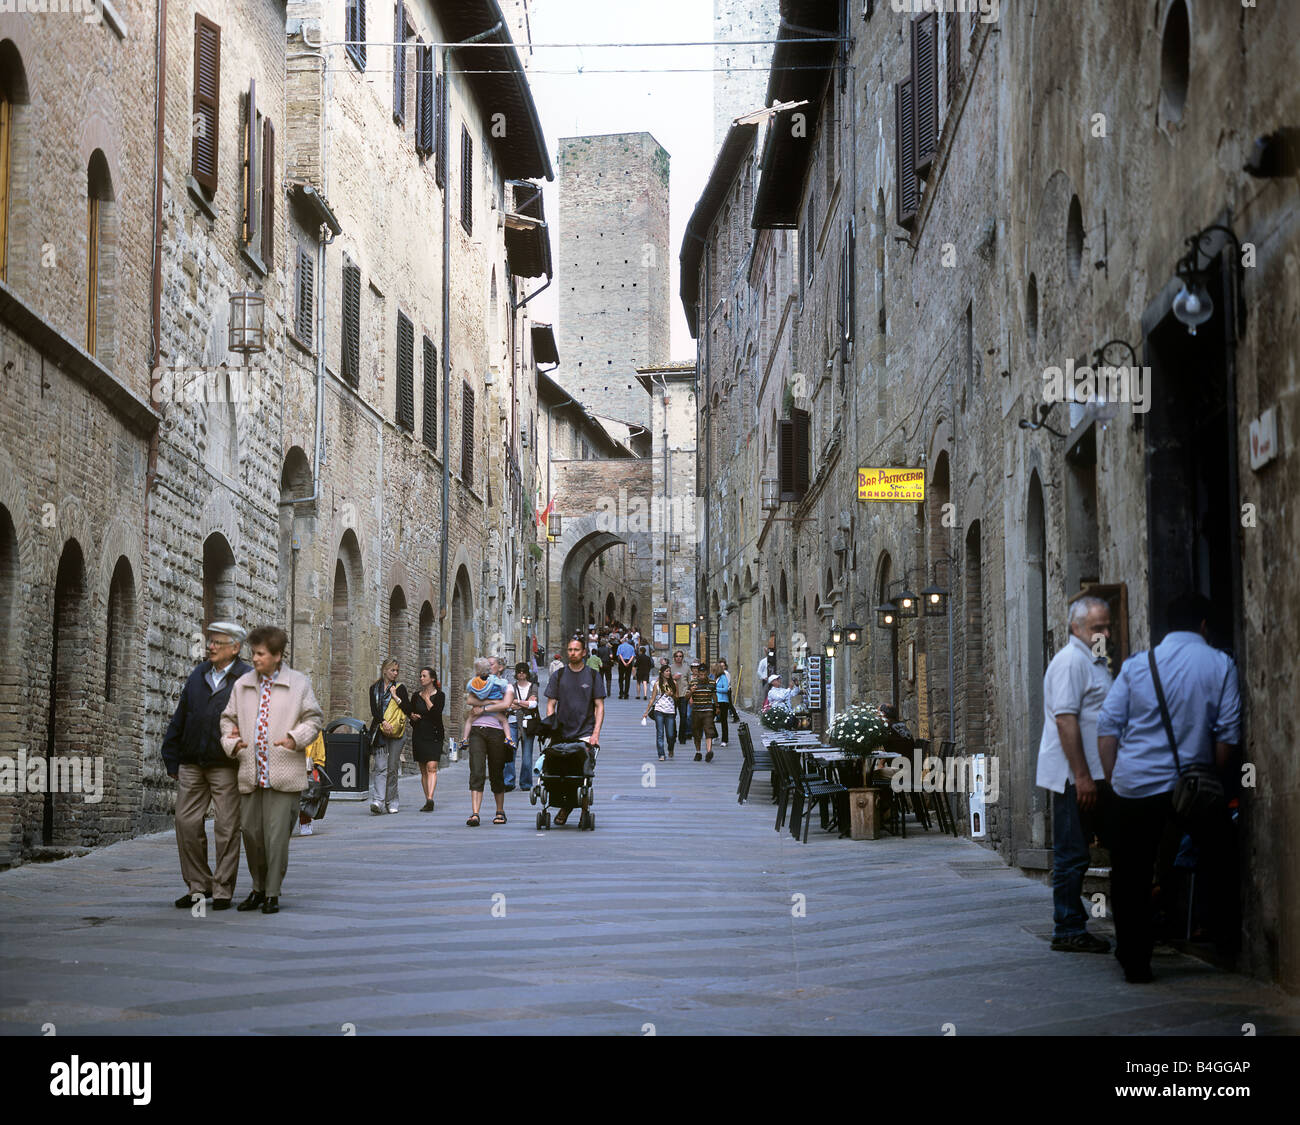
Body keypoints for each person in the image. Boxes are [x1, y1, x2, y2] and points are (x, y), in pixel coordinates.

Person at [1098, 592, 1241, 984]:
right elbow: (1227, 737)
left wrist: (1114, 780)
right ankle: (1227, 942)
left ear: (1167, 626)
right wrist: (1208, 776)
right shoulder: (1220, 664)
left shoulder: (1137, 666)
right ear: (1204, 626)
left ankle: (1135, 960)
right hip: (1192, 785)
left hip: (1135, 784)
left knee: (1131, 873)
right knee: (1221, 856)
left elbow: (1108, 729)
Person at [220, 626, 323, 915]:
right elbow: (227, 720)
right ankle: (257, 886)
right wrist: (232, 743)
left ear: (277, 656)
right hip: (251, 772)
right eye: (253, 653)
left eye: (261, 654)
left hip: (284, 773)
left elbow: (314, 719)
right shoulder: (242, 685)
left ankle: (272, 893)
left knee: (275, 837)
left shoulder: (298, 684)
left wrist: (296, 738)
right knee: (251, 835)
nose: (254, 658)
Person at [1035, 596, 1115, 955]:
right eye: (1098, 627)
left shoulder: (1094, 660)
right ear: (1076, 628)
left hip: (1097, 775)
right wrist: (1082, 776)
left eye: (1107, 625)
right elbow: (1065, 720)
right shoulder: (1071, 662)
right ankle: (1067, 927)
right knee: (1072, 853)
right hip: (1075, 778)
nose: (1106, 632)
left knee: (1095, 847)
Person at [161, 621, 252, 911]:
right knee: (185, 822)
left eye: (217, 642)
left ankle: (223, 888)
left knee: (226, 827)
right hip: (191, 761)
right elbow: (182, 715)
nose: (210, 646)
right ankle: (199, 885)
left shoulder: (247, 678)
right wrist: (171, 754)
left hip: (226, 764)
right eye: (210, 641)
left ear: (235, 648)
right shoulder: (199, 674)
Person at [543, 636, 605, 825]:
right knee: (560, 772)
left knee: (582, 773)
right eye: (570, 650)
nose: (572, 653)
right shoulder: (559, 675)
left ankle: (582, 810)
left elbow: (599, 706)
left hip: (584, 732)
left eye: (576, 650)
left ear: (584, 652)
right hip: (562, 732)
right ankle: (565, 805)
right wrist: (551, 726)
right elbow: (551, 703)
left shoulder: (593, 676)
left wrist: (595, 734)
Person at [463, 657, 514, 826]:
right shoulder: (478, 683)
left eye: (491, 664)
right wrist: (491, 702)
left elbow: (505, 704)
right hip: (477, 730)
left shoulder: (506, 685)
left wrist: (483, 708)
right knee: (476, 770)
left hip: (497, 731)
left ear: (500, 667)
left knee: (496, 772)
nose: (487, 666)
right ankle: (475, 813)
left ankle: (500, 811)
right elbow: (470, 700)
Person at [368, 658, 409, 815]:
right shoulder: (374, 688)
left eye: (397, 671)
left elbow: (407, 709)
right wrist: (383, 722)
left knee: (392, 768)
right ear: (385, 670)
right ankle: (378, 800)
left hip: (397, 733)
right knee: (380, 767)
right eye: (393, 670)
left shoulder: (400, 688)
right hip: (380, 731)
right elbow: (374, 710)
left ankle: (392, 801)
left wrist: (396, 697)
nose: (395, 673)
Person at [407, 667, 445, 812]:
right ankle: (427, 799)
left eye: (424, 676)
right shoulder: (416, 696)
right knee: (423, 769)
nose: (421, 678)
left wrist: (427, 699)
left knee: (432, 767)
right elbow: (411, 714)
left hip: (434, 734)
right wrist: (413, 717)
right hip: (419, 734)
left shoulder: (440, 695)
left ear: (432, 679)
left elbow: (436, 714)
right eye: (420, 676)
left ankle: (430, 798)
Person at [462, 662, 513, 747]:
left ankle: (464, 739)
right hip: (493, 708)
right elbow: (503, 685)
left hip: (478, 708)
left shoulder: (475, 681)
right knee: (504, 720)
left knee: (469, 720)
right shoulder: (493, 679)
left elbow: (468, 688)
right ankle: (508, 738)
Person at [508, 661, 540, 794]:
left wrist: (516, 702)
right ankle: (508, 782)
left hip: (528, 724)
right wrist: (525, 703)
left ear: (527, 673)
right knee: (510, 752)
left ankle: (525, 783)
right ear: (516, 673)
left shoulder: (533, 687)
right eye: (519, 671)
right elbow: (508, 705)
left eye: (524, 671)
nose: (521, 674)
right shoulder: (511, 687)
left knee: (527, 755)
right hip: (512, 722)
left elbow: (533, 704)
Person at [643, 666, 679, 760]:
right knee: (660, 733)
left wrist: (672, 694)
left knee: (670, 734)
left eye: (669, 671)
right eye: (666, 671)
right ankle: (661, 754)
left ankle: (670, 748)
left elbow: (677, 697)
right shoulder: (657, 684)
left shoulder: (674, 683)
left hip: (670, 711)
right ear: (662, 673)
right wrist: (646, 712)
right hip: (659, 710)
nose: (668, 673)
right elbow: (652, 699)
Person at [689, 662, 718, 761]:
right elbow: (686, 697)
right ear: (697, 674)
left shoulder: (712, 683)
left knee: (708, 730)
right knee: (697, 732)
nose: (702, 677)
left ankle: (709, 751)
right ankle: (698, 752)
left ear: (707, 673)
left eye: (704, 674)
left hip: (708, 710)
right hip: (696, 710)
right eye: (700, 675)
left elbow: (714, 695)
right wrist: (691, 692)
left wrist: (717, 707)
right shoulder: (693, 683)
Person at [714, 658, 739, 746]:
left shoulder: (724, 676)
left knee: (723, 720)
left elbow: (725, 689)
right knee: (709, 719)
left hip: (723, 701)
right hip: (714, 700)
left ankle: (725, 740)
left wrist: (715, 689)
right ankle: (715, 735)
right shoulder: (713, 677)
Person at [669, 649, 691, 749]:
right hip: (673, 695)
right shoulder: (670, 668)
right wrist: (673, 677)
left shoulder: (686, 668)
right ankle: (673, 735)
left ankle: (682, 737)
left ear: (682, 658)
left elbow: (690, 682)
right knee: (672, 716)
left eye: (680, 656)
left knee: (683, 717)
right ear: (674, 658)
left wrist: (690, 694)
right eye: (677, 656)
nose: (679, 658)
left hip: (683, 695)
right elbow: (665, 681)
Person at [615, 634, 636, 699]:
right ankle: (626, 694)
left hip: (622, 662)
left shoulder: (620, 646)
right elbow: (633, 656)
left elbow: (620, 655)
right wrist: (629, 662)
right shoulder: (631, 647)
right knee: (627, 678)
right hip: (629, 662)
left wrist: (623, 662)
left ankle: (621, 693)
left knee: (621, 678)